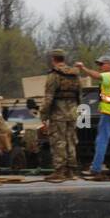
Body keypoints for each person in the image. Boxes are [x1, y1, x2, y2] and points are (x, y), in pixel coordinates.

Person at [39, 48, 81, 180]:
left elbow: (49, 98)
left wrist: (43, 114)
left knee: (58, 141)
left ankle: (59, 170)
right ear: (63, 59)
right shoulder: (75, 74)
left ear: (53, 59)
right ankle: (71, 171)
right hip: (72, 113)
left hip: (58, 114)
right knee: (71, 141)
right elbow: (79, 94)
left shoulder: (54, 75)